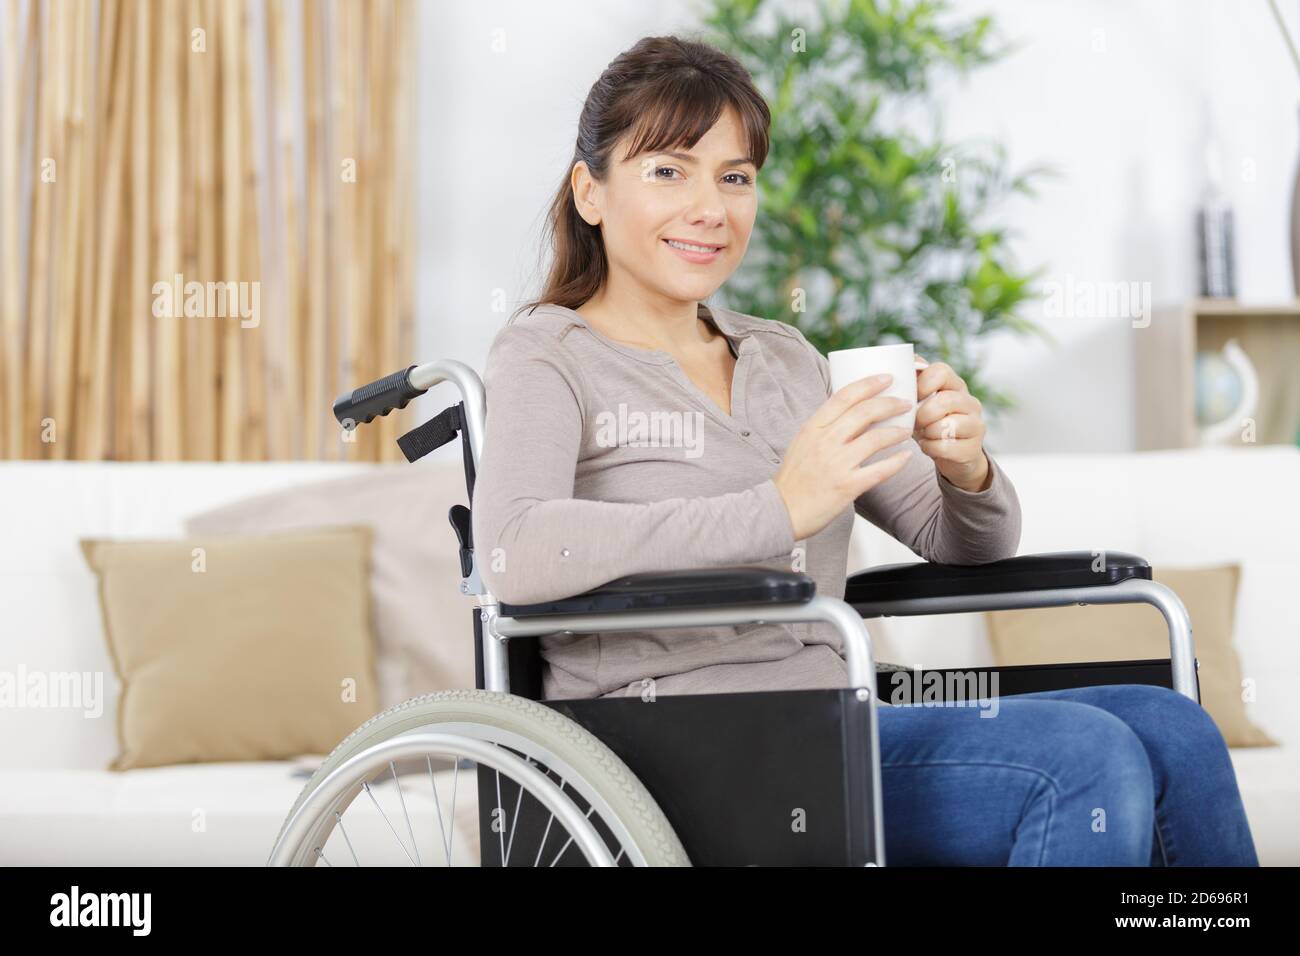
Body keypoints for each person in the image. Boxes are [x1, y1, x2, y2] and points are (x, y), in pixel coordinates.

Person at [470, 35, 1258, 866]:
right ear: (589, 191)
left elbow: (967, 544)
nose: (711, 208)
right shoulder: (548, 354)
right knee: (1081, 757)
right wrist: (777, 509)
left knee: (1172, 726)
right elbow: (512, 550)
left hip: (836, 714)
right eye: (669, 170)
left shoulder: (786, 359)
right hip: (678, 743)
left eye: (735, 177)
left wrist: (967, 469)